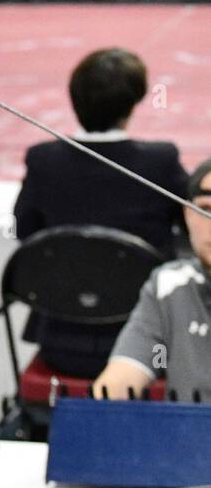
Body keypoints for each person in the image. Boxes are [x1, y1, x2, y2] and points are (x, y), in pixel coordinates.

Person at [14, 48, 190, 378]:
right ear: (133, 103)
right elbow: (193, 229)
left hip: (62, 345)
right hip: (148, 348)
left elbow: (25, 231)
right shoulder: (160, 162)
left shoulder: (43, 161)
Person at [93, 157, 211, 402]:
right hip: (185, 436)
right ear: (187, 215)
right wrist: (102, 410)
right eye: (205, 209)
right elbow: (121, 378)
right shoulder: (168, 286)